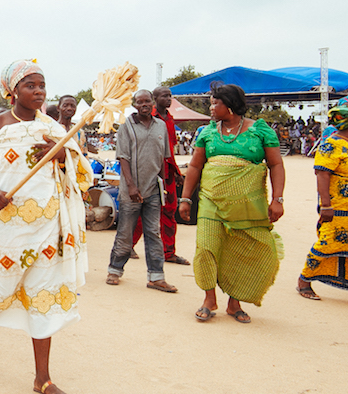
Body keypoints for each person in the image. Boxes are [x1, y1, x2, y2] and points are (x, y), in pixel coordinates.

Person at [0, 59, 93, 394]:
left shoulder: (53, 128)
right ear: (13, 90)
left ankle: (42, 378)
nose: (39, 92)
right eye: (30, 85)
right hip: (5, 227)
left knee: (43, 296)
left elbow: (80, 171)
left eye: (42, 86)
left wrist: (60, 154)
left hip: (46, 228)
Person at [178, 83, 285, 323]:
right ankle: (209, 299)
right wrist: (185, 198)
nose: (211, 108)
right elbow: (195, 166)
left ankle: (234, 302)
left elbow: (276, 164)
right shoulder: (207, 132)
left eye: (215, 103)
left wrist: (277, 199)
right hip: (210, 201)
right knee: (206, 247)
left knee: (241, 250)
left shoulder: (260, 131)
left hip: (248, 205)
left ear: (230, 105)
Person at [297, 104, 348, 308]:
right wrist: (326, 205)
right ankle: (304, 280)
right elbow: (322, 174)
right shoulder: (331, 145)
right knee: (329, 243)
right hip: (341, 209)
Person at [105, 90, 178, 293]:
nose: (144, 104)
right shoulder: (126, 127)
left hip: (153, 189)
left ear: (152, 103)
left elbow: (163, 158)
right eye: (140, 102)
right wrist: (131, 185)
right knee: (125, 232)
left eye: (147, 101)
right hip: (131, 191)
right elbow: (123, 158)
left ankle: (156, 277)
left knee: (153, 232)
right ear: (134, 105)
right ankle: (114, 270)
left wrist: (164, 185)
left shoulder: (161, 126)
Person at [130, 86, 189, 265]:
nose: (169, 99)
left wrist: (176, 171)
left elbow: (169, 149)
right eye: (164, 96)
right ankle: (128, 245)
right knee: (145, 210)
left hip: (167, 172)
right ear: (155, 99)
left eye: (170, 96)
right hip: (150, 172)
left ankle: (168, 252)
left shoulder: (169, 119)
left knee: (169, 211)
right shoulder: (147, 118)